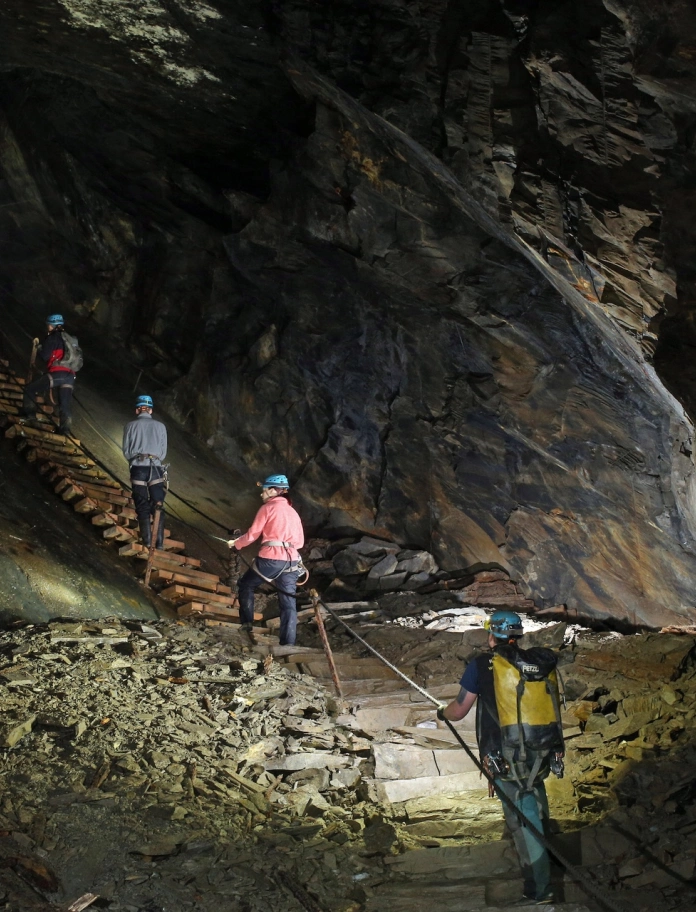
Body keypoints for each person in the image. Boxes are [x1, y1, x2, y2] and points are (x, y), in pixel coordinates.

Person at [437, 609, 564, 905]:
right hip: (541, 749)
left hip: (506, 756)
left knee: (523, 821)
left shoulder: (483, 665)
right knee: (537, 799)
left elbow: (459, 710)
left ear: (491, 634)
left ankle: (540, 890)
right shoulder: (536, 663)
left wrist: (441, 713)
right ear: (517, 635)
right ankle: (549, 866)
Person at [229, 475, 304, 645]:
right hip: (292, 561)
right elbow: (300, 542)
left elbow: (252, 534)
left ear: (272, 491)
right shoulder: (293, 513)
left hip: (271, 558)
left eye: (263, 490)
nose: (261, 495)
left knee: (246, 585)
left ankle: (247, 624)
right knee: (288, 602)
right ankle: (288, 643)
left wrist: (236, 544)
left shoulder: (268, 508)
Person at [122, 395, 168, 550]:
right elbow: (163, 452)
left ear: (137, 410)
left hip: (138, 468)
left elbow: (127, 451)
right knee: (158, 504)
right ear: (151, 410)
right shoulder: (161, 426)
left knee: (142, 504)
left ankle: (147, 542)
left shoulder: (130, 426)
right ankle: (159, 544)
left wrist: (135, 460)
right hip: (155, 468)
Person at [20, 315, 77, 435]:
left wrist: (39, 347)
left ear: (51, 326)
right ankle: (65, 430)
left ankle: (30, 415)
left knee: (30, 389)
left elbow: (45, 356)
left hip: (57, 373)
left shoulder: (52, 338)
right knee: (64, 404)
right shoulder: (70, 339)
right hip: (70, 375)